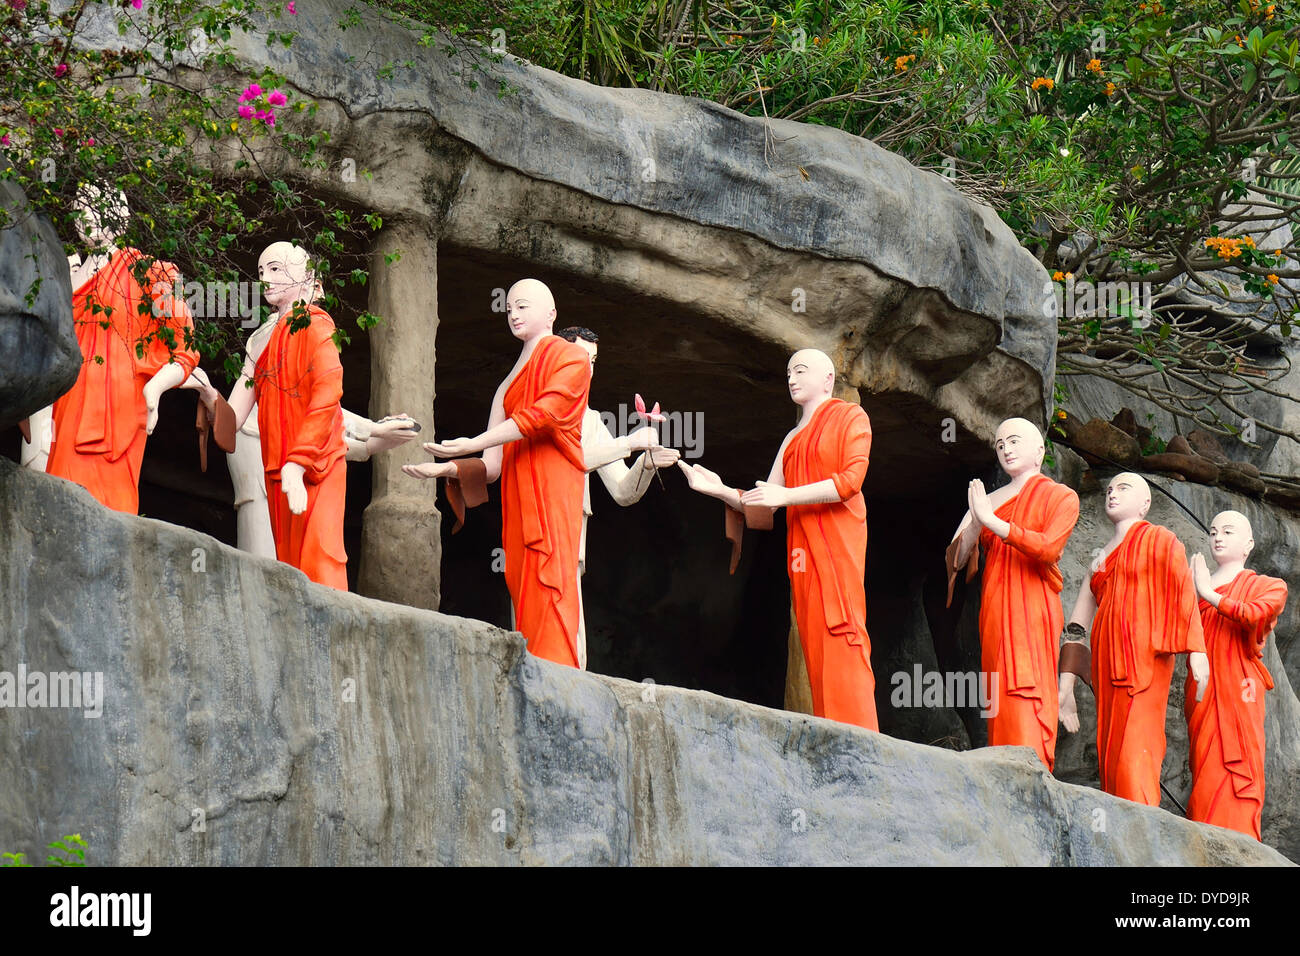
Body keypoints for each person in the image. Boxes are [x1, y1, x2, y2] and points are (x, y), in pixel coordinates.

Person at [679, 349, 877, 730]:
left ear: (828, 379)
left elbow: (851, 482)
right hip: (802, 551)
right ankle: (832, 732)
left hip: (838, 544)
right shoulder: (791, 437)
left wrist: (786, 497)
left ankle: (862, 735)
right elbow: (764, 504)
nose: (791, 378)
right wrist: (721, 491)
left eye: (801, 370)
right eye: (788, 372)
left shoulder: (850, 416)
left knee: (844, 631)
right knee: (813, 639)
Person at [408, 279, 593, 667]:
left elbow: (543, 416)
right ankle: (537, 671)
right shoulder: (507, 383)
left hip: (552, 490)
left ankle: (561, 673)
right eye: (509, 308)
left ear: (552, 313)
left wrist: (471, 441)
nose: (514, 313)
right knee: (523, 586)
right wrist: (446, 467)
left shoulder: (570, 359)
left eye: (523, 306)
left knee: (553, 583)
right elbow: (492, 466)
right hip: (518, 502)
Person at [25, 184, 199, 513]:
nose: (88, 217)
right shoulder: (68, 271)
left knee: (107, 503)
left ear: (122, 217)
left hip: (116, 407)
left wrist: (156, 388)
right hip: (63, 399)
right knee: (56, 498)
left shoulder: (151, 272)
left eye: (98, 207)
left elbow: (185, 346)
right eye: (82, 208)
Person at [1060, 472, 1209, 805]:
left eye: (1123, 488)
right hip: (1106, 666)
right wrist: (1065, 686)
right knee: (1110, 755)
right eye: (1109, 488)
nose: (1112, 493)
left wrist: (1197, 651)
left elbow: (1183, 591)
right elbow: (1077, 626)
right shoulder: (1099, 558)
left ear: (1146, 502)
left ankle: (1141, 835)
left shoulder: (1160, 539)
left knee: (1134, 755)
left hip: (1142, 663)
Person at [946, 418, 1080, 770]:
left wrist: (994, 523)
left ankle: (1031, 767)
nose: (1006, 448)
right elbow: (957, 560)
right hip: (995, 606)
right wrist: (978, 519)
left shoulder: (1060, 495)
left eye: (1015, 441)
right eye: (1000, 443)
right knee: (1001, 689)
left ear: (1039, 450)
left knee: (1029, 686)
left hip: (1033, 606)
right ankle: (1004, 769)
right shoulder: (988, 501)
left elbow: (1049, 548)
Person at [219, 241, 349, 589]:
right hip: (277, 469)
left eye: (275, 269)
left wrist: (299, 461)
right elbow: (232, 418)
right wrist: (200, 390)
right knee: (290, 571)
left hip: (315, 466)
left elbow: (328, 393)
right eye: (261, 272)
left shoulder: (316, 325)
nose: (266, 280)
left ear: (307, 276)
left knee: (320, 558)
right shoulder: (262, 340)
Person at [555, 326, 679, 669]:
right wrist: (630, 441)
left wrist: (646, 462)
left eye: (593, 361)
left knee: (574, 647)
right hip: (543, 524)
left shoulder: (592, 421)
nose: (588, 369)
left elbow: (624, 492)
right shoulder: (542, 410)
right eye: (581, 358)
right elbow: (573, 458)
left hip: (572, 538)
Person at [1185, 510, 1288, 840]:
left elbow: (1253, 614)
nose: (1217, 537)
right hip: (1202, 686)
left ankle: (1239, 843)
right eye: (1213, 531)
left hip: (1241, 685)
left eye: (1228, 532)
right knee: (1204, 762)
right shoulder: (1193, 585)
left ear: (1249, 544)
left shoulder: (1267, 585)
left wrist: (1208, 592)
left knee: (1240, 764)